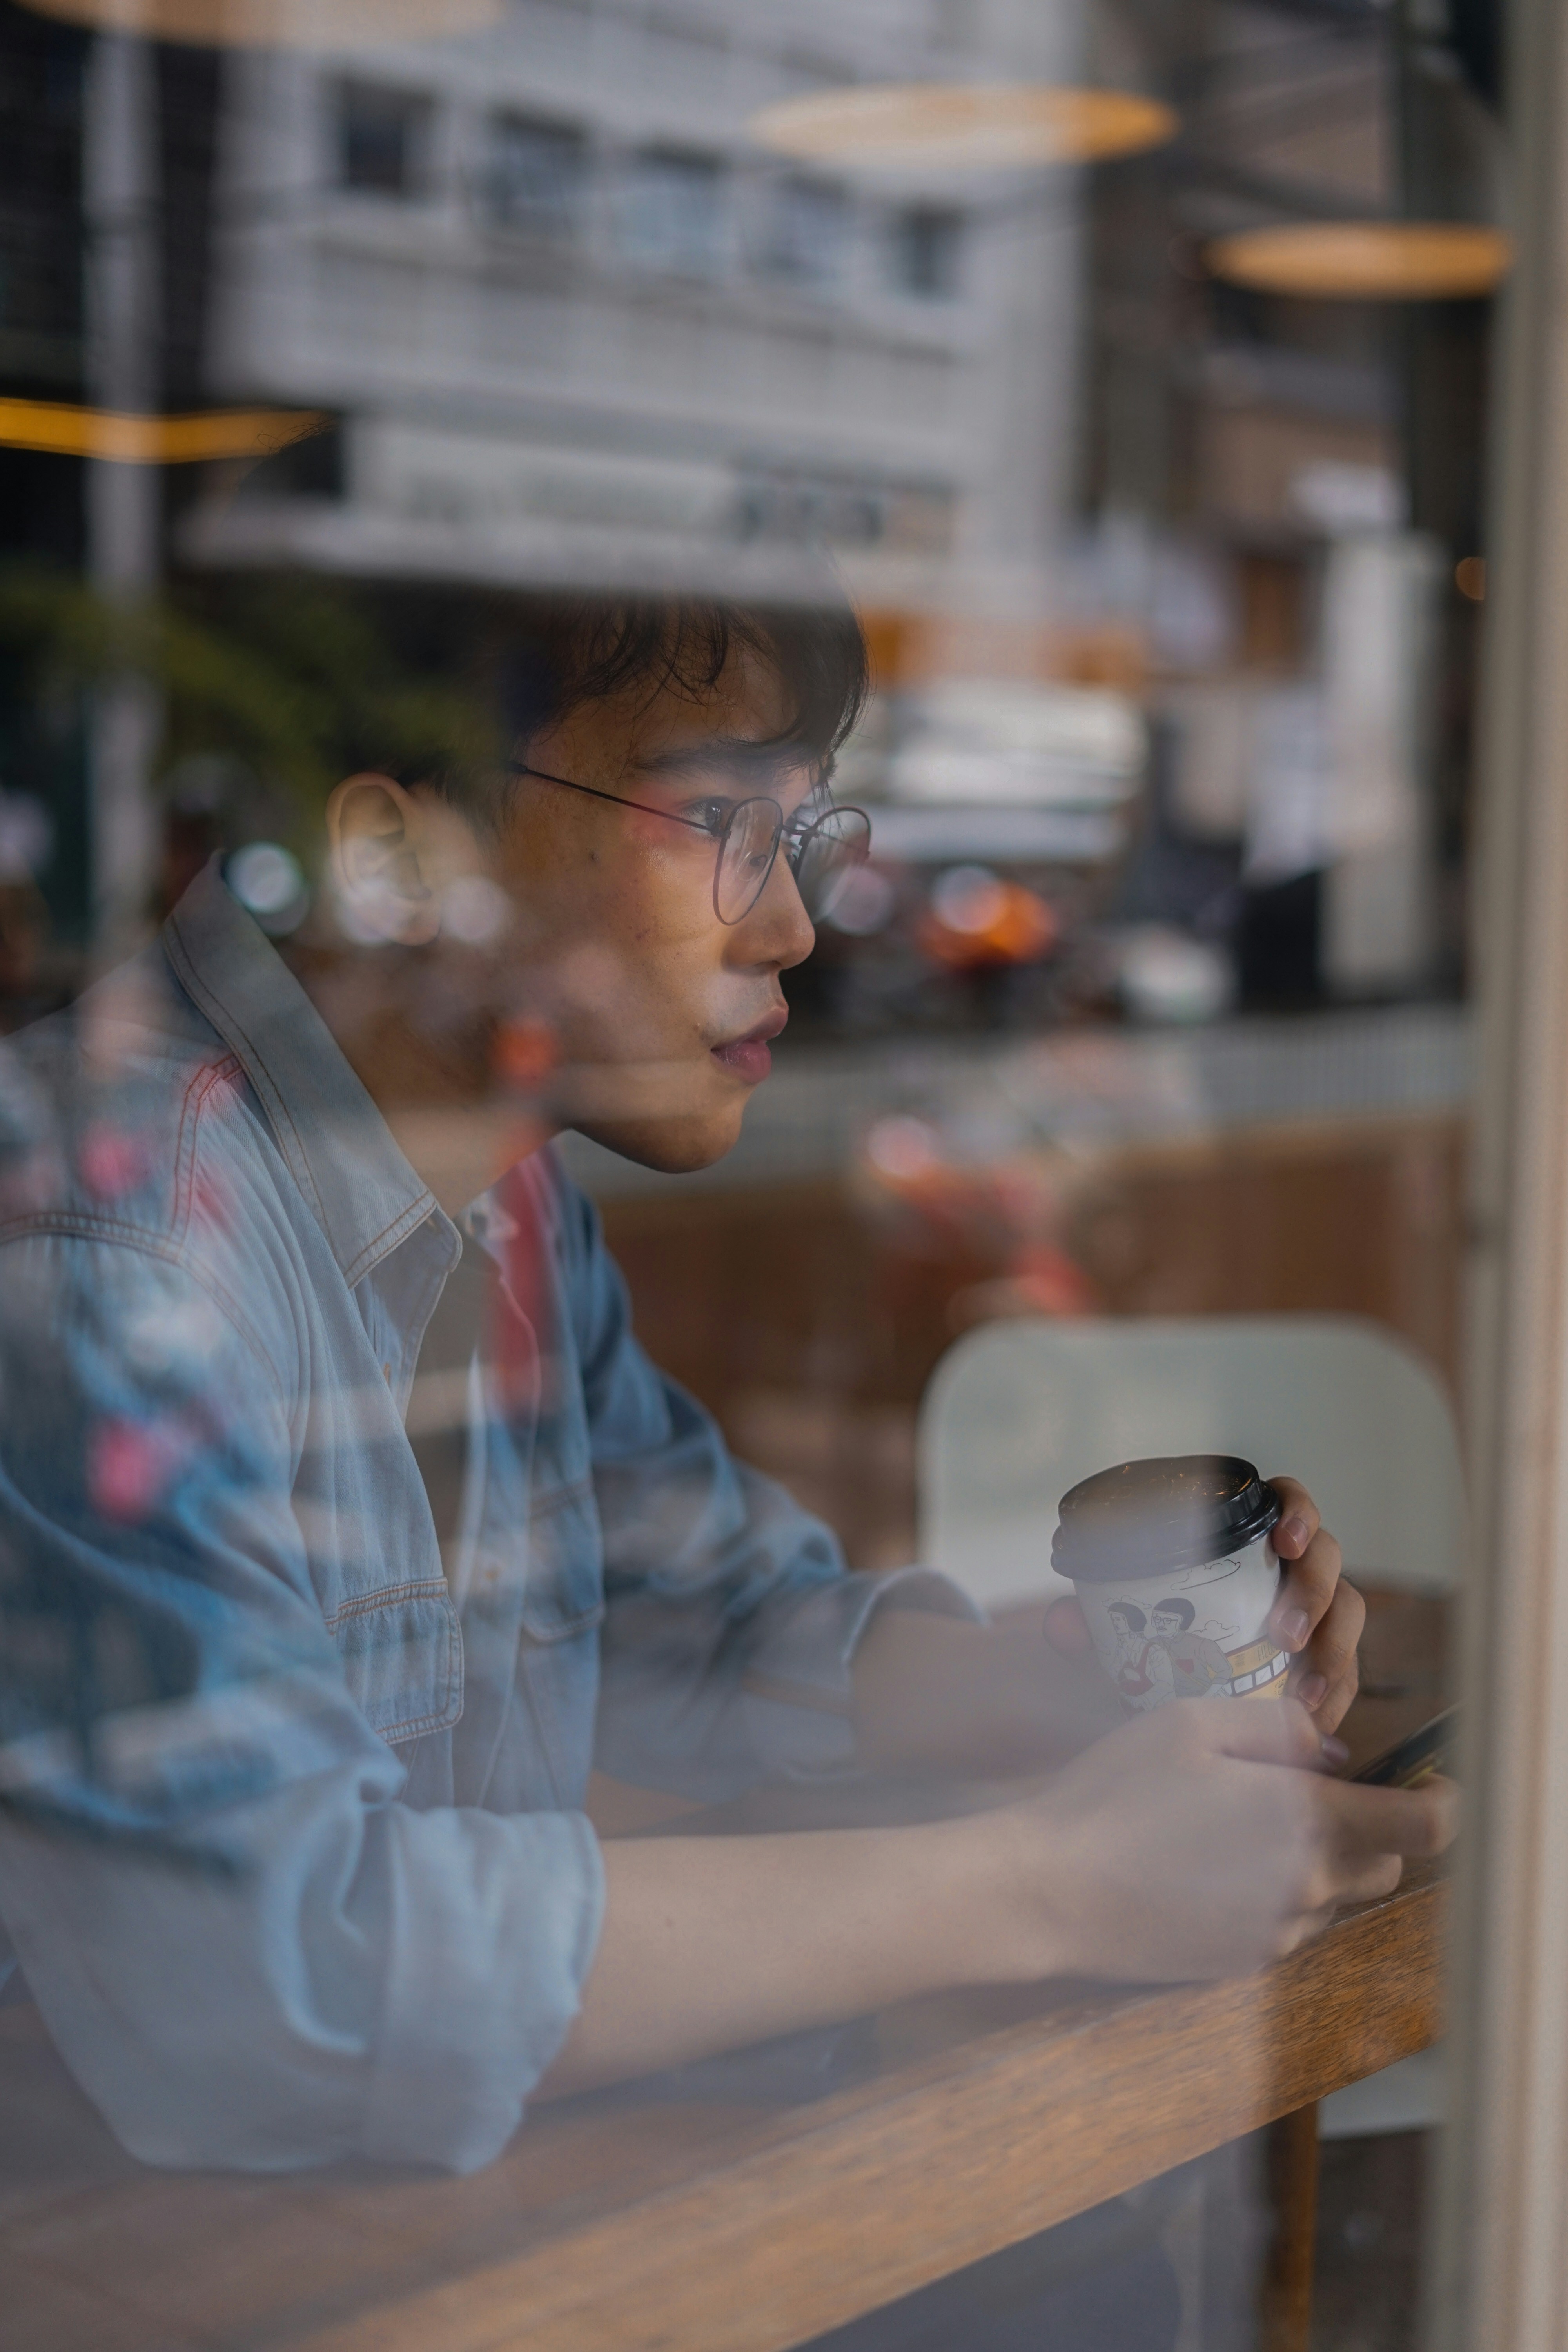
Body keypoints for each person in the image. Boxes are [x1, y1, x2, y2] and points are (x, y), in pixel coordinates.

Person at [0, 595, 1450, 2234]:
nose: (792, 932)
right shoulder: (105, 1252)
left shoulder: (507, 1199)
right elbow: (272, 1980)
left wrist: (1121, 1695)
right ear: (403, 867)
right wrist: (1052, 1881)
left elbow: (700, 1616)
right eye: (714, 825)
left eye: (798, 831)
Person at [1148, 1597, 1236, 1698]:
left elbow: (1225, 1670)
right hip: (1169, 1704)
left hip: (1202, 1699)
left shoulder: (1201, 1644)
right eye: (1157, 1619)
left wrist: (1207, 1698)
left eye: (1168, 1620)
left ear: (1182, 1622)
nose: (1161, 1624)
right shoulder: (1149, 1644)